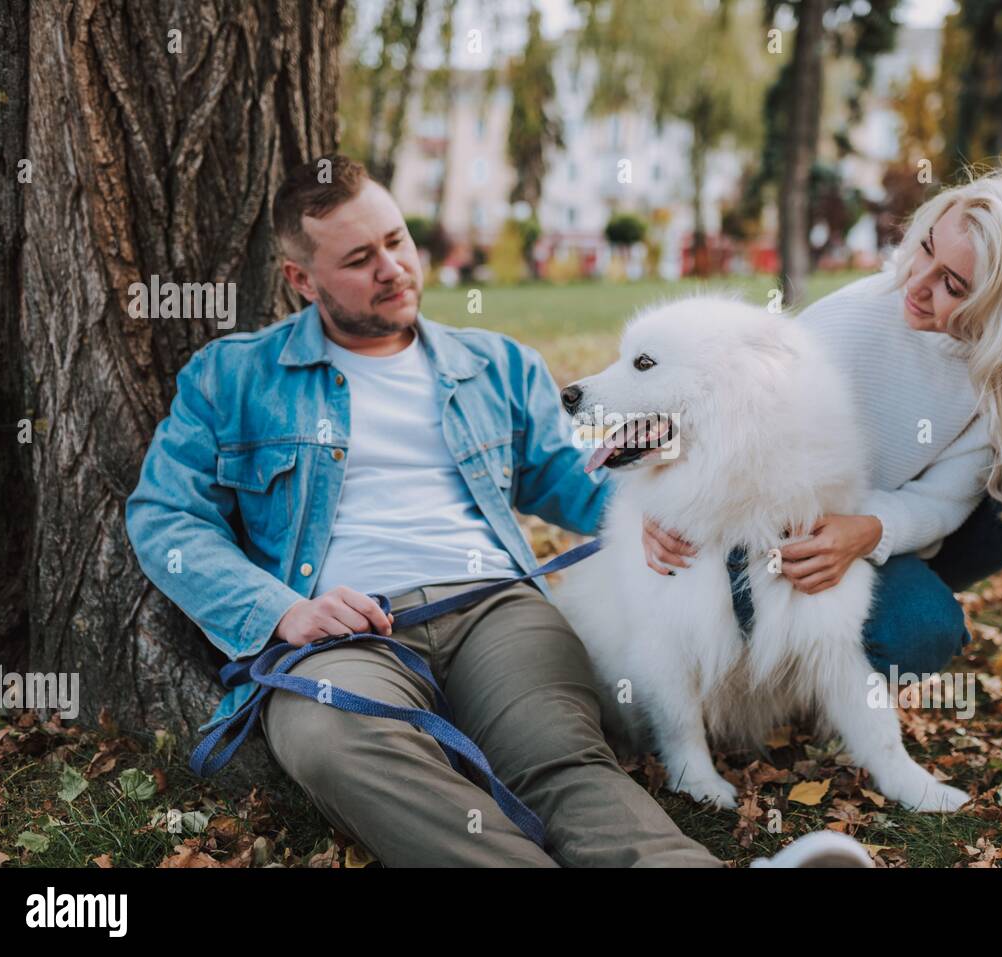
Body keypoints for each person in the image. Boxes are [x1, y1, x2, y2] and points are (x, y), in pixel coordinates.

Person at [125, 153, 870, 868]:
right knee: (326, 739)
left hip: (495, 608)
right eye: (358, 260)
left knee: (562, 757)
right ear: (300, 278)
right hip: (345, 630)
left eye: (397, 240)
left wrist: (643, 509)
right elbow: (164, 517)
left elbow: (575, 479)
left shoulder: (495, 364)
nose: (392, 268)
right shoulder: (231, 376)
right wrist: (280, 609)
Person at [643, 170, 1002, 820]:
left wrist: (870, 529)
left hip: (902, 529)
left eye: (953, 285)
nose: (917, 283)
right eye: (927, 248)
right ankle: (822, 673)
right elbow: (718, 402)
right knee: (920, 631)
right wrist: (655, 490)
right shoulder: (850, 326)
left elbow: (948, 499)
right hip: (799, 543)